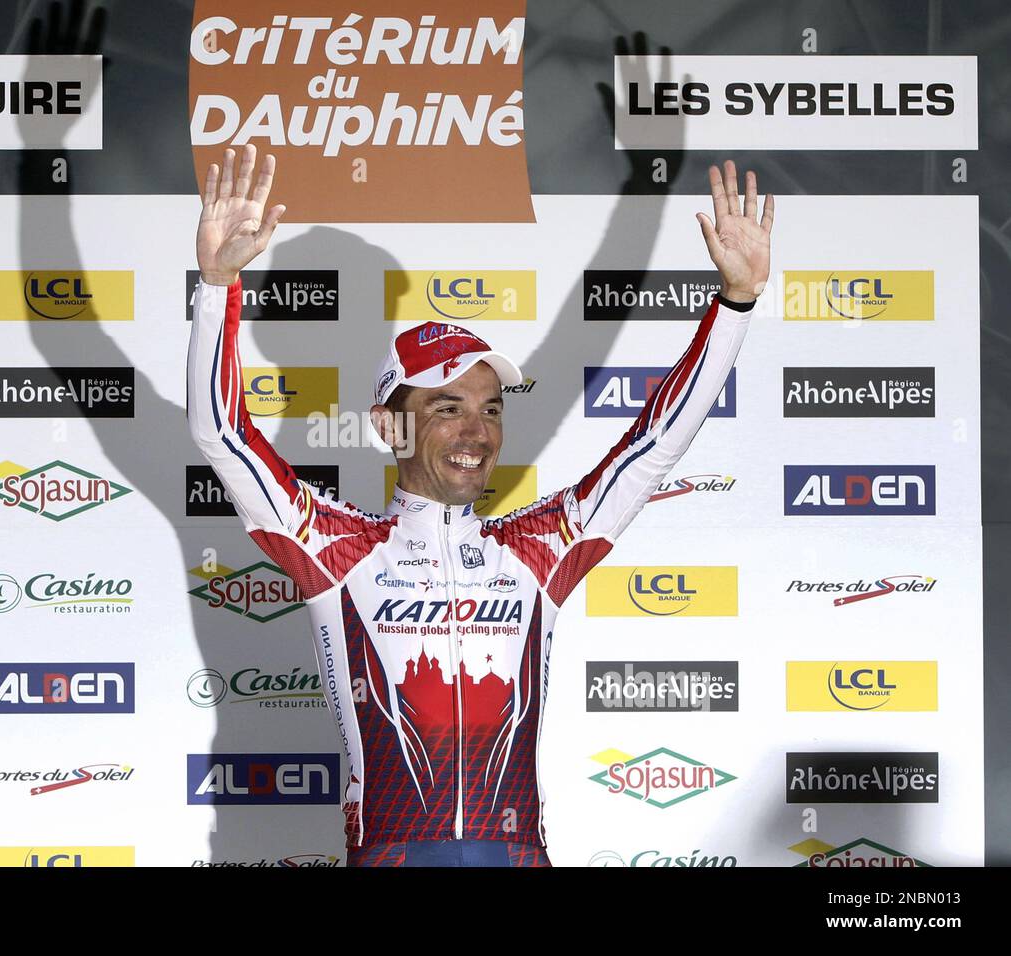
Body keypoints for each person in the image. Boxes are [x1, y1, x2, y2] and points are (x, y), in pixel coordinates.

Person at [187, 144, 774, 867]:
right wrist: (218, 284)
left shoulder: (538, 548)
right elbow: (220, 432)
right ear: (388, 425)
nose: (477, 432)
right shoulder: (334, 546)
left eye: (491, 409)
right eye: (448, 407)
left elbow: (654, 445)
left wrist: (735, 304)